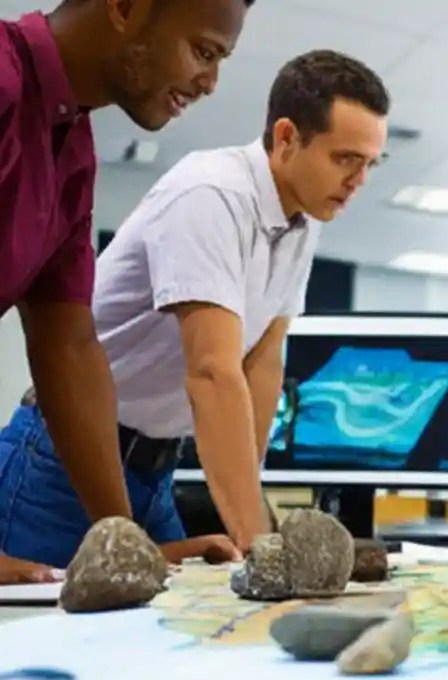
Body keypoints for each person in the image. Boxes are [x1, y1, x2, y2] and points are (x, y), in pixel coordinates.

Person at [0, 49, 391, 569]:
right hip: (60, 466)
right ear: (286, 138)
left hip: (152, 473)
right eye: (346, 159)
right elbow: (212, 372)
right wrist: (263, 547)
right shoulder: (212, 193)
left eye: (369, 164)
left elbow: (261, 365)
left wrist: (250, 524)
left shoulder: (303, 222)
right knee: (37, 642)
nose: (358, 181)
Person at [0, 0, 254, 584]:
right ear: (124, 8)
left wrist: (124, 543)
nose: (211, 82)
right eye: (204, 51)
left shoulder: (71, 149)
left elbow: (68, 347)